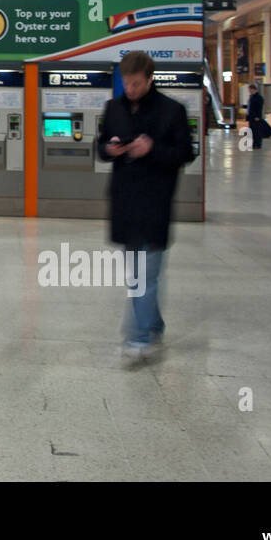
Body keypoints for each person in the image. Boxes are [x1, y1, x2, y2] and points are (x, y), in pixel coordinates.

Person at [97, 51, 196, 362]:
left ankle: (138, 339)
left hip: (155, 202)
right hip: (125, 203)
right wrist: (109, 149)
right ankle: (152, 324)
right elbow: (99, 147)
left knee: (144, 273)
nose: (131, 89)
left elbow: (185, 153)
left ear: (150, 78)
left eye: (136, 83)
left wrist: (152, 149)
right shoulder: (113, 108)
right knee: (140, 273)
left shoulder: (172, 111)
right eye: (126, 82)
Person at [246, 84, 266, 148]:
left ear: (253, 89)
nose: (249, 91)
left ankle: (258, 143)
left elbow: (259, 108)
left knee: (257, 131)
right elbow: (250, 106)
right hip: (251, 117)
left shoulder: (259, 97)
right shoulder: (251, 96)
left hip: (256, 117)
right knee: (252, 131)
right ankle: (254, 143)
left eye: (250, 89)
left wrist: (258, 116)